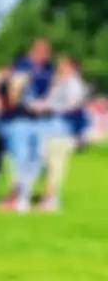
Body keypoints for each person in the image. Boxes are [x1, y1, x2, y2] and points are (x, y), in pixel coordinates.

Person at [0, 38, 54, 212]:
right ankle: (16, 196)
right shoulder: (23, 65)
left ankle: (24, 195)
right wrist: (24, 104)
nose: (44, 55)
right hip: (20, 118)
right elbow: (14, 90)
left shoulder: (48, 68)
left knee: (36, 158)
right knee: (20, 158)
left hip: (39, 120)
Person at [41, 56, 88, 211]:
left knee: (56, 166)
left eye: (62, 66)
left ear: (71, 67)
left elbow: (72, 105)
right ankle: (47, 197)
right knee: (50, 165)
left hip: (63, 130)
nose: (59, 69)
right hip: (54, 128)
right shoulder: (61, 83)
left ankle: (51, 200)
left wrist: (52, 107)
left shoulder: (74, 84)